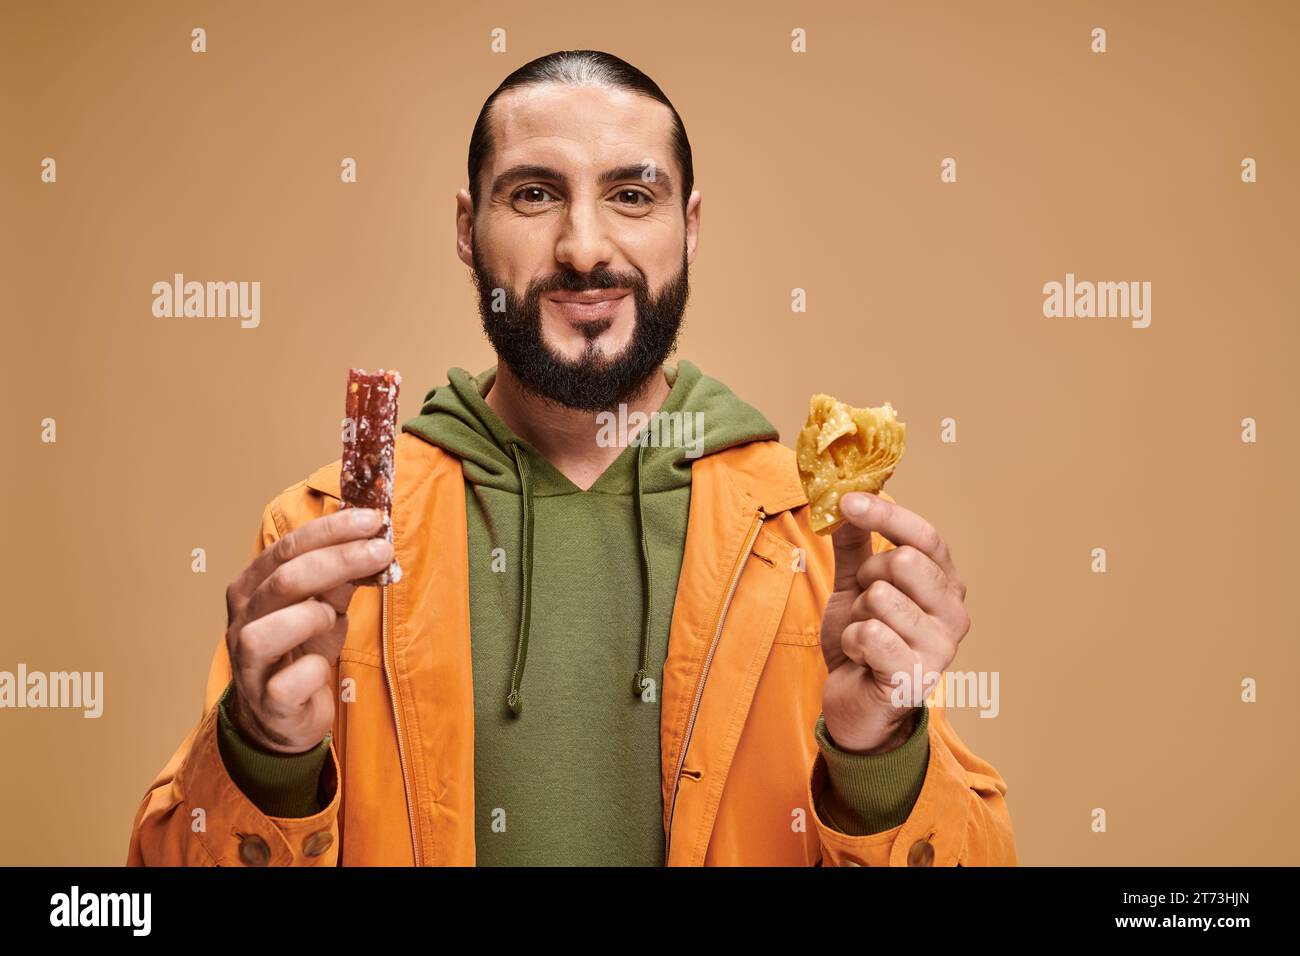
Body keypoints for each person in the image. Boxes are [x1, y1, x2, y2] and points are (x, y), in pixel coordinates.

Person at [128, 49, 1015, 867]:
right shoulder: (327, 544)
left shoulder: (826, 551)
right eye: (534, 195)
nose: (584, 247)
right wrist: (265, 757)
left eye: (632, 195)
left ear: (690, 227)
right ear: (469, 231)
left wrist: (879, 760)